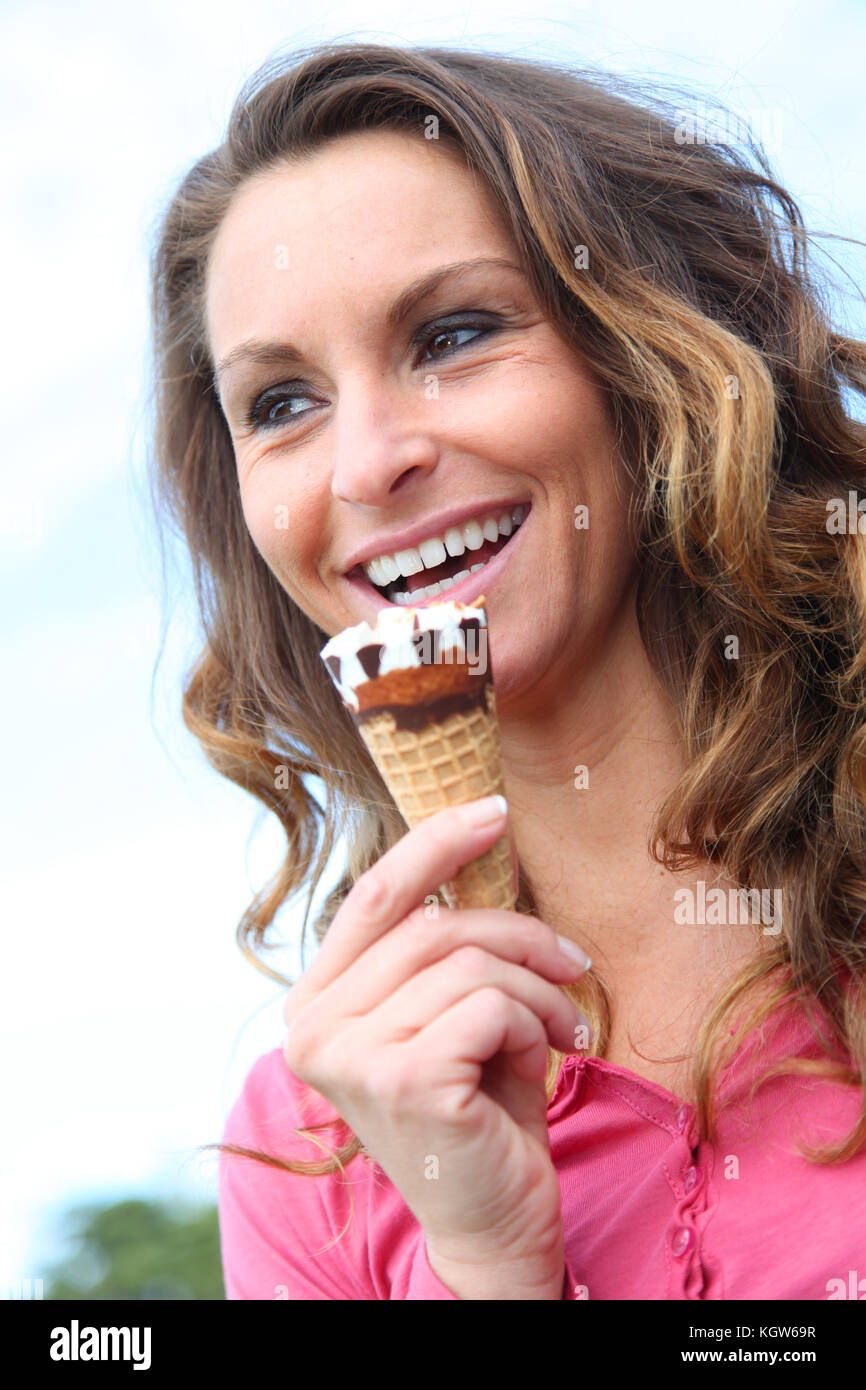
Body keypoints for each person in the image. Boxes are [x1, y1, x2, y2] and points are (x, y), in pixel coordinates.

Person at [148, 42, 866, 1300]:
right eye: (279, 402)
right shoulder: (313, 1140)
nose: (367, 464)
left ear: (651, 358)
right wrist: (490, 1263)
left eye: (454, 332)